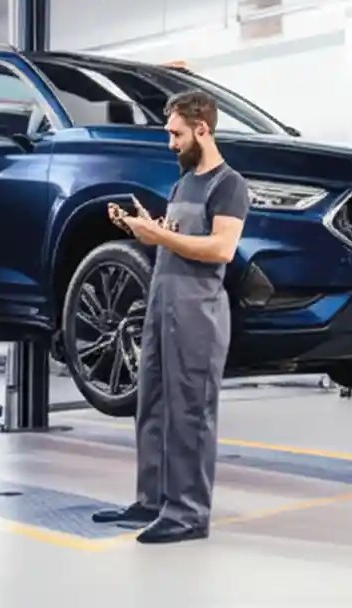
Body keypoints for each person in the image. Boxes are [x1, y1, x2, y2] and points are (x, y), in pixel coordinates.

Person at [92, 89, 250, 545]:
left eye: (176, 134)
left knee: (190, 413)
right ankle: (153, 500)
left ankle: (187, 514)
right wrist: (145, 229)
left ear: (203, 129)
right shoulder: (183, 184)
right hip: (162, 302)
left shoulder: (229, 185)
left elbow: (221, 249)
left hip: (198, 310)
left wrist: (158, 236)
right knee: (153, 405)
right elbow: (177, 241)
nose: (171, 143)